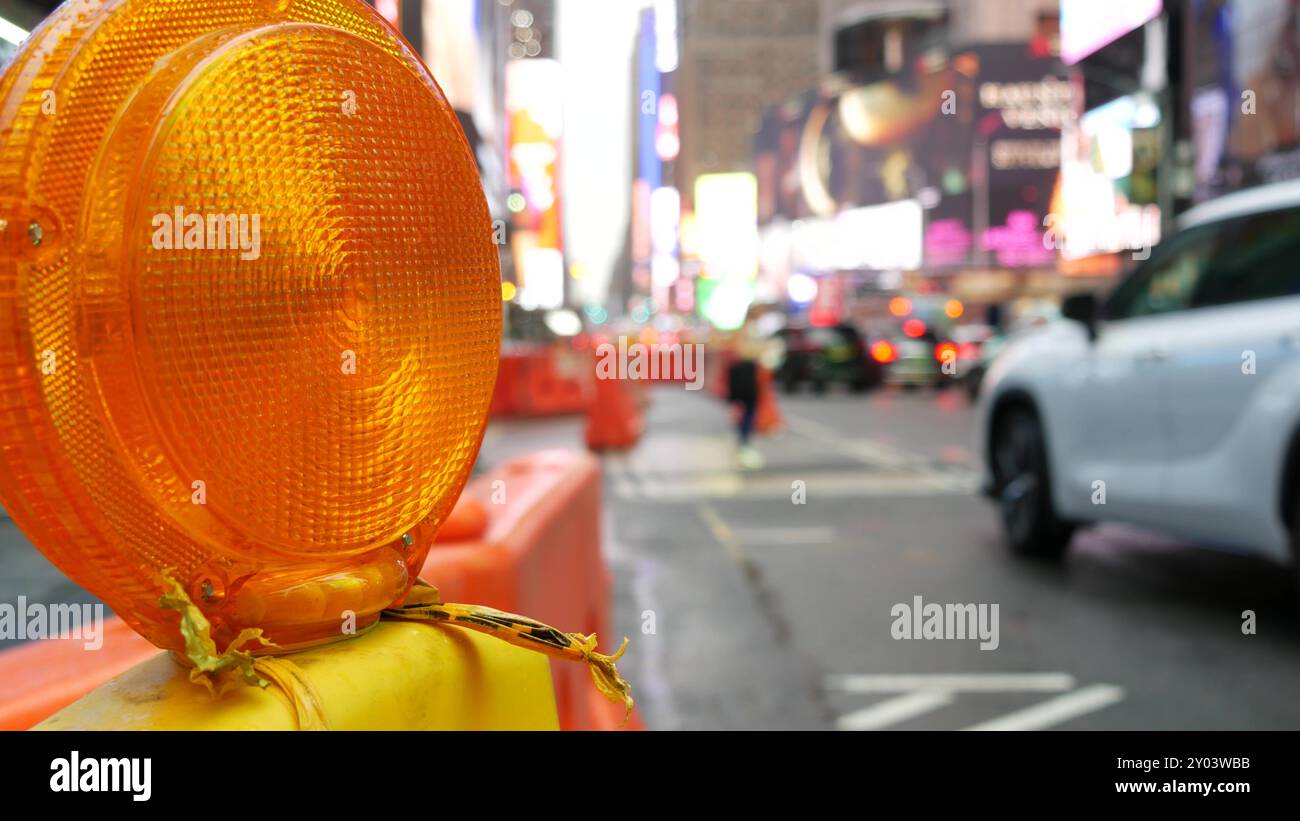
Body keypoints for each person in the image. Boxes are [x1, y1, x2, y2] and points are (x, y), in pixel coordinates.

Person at [726, 331, 764, 469]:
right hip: (748, 394)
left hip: (743, 394)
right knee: (747, 416)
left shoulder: (737, 362)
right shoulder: (752, 363)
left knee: (744, 416)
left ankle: (743, 440)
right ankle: (744, 441)